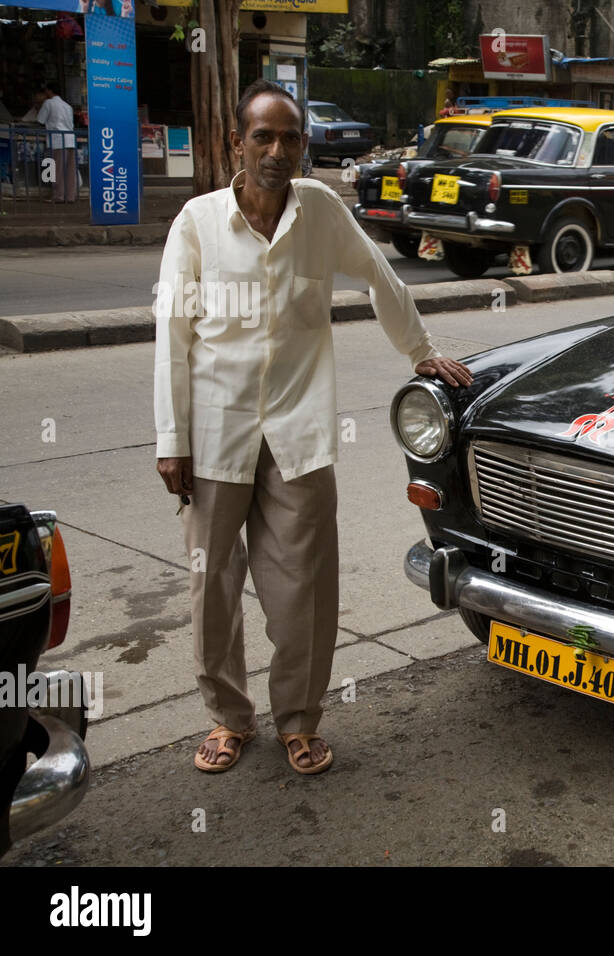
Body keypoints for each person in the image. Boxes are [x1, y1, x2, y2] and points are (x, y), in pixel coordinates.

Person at [154, 80, 472, 776]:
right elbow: (171, 335)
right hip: (213, 435)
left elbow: (378, 277)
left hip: (298, 433)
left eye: (290, 137)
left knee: (305, 587)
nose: (276, 150)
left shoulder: (321, 210)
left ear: (303, 145)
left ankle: (298, 720)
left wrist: (420, 350)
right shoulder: (197, 223)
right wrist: (169, 439)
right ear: (235, 144)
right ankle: (227, 718)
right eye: (262, 136)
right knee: (212, 586)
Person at [35, 83, 76, 203]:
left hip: (58, 140)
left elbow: (40, 120)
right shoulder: (67, 106)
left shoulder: (48, 103)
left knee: (57, 169)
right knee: (70, 170)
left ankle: (58, 196)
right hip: (70, 140)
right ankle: (70, 196)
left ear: (49, 91)